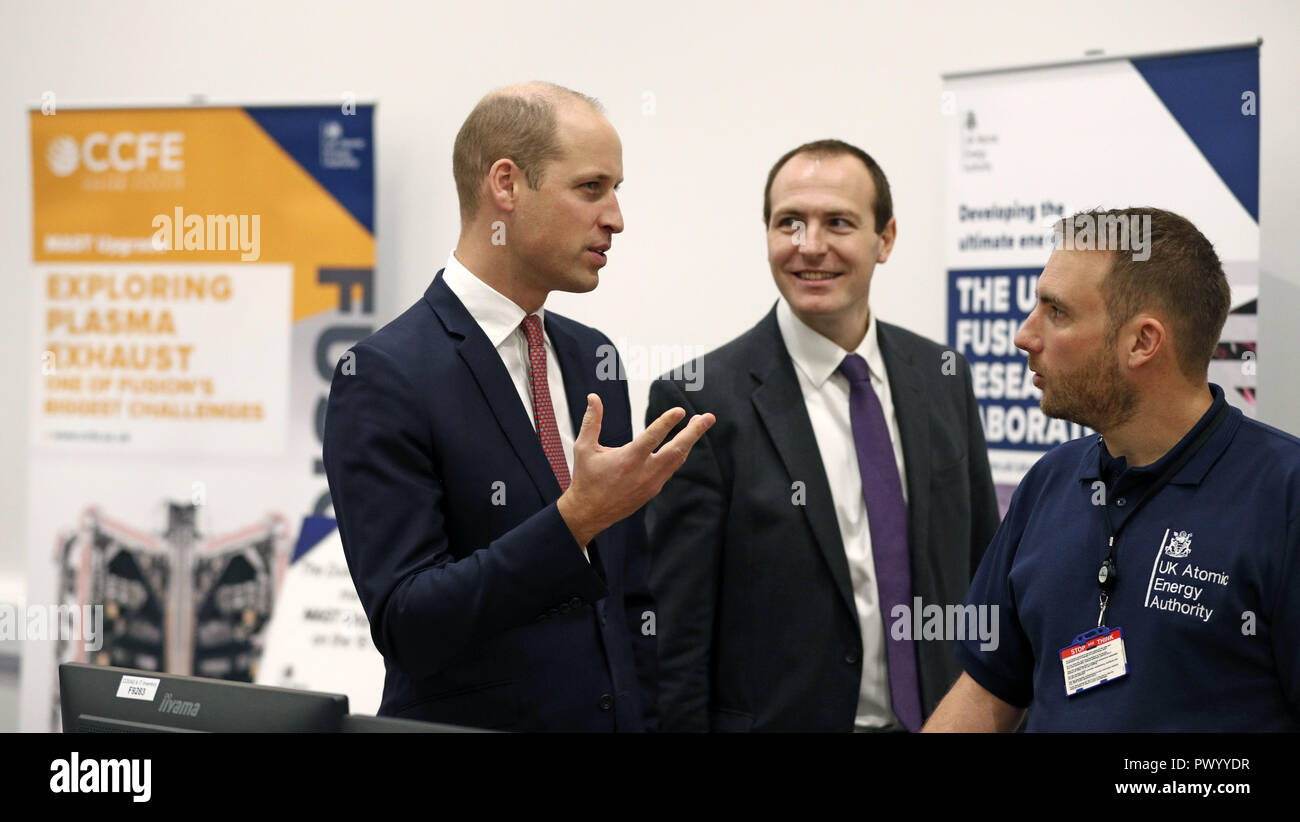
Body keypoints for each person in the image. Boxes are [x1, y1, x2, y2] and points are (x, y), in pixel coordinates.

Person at [322, 83, 713, 732]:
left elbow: (629, 601)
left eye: (617, 190)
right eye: (591, 188)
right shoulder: (385, 376)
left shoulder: (594, 359)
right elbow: (409, 622)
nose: (616, 217)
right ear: (506, 184)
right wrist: (572, 522)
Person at [646, 139, 1000, 732]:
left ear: (885, 239)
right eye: (789, 223)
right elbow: (677, 631)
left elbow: (982, 572)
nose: (810, 246)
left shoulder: (942, 378)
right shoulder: (699, 400)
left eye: (837, 222)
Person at [924, 207, 1300, 732]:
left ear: (1142, 342)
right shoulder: (1049, 482)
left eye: (1056, 312)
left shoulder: (1284, 495)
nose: (1024, 335)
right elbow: (987, 692)